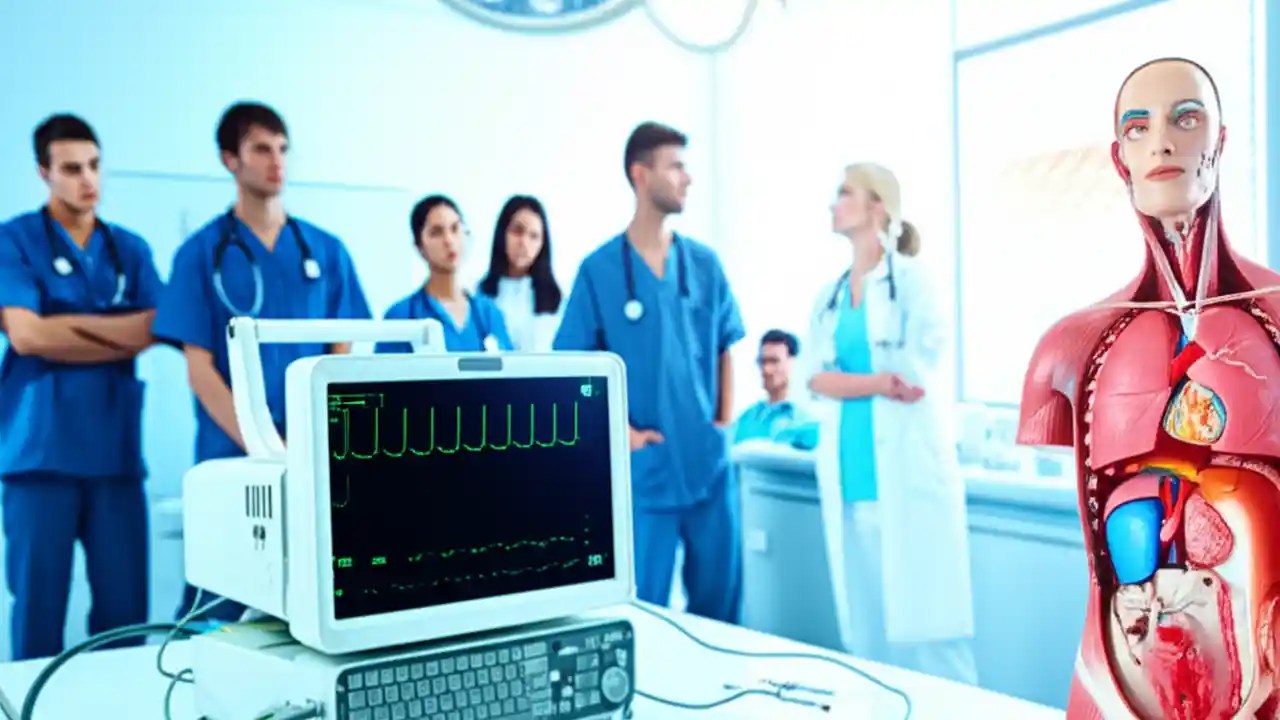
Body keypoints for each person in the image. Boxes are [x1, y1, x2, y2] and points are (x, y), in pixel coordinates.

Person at [1019, 58, 1280, 720]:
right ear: (1119, 159)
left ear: (1220, 140)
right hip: (1117, 679)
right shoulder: (1068, 347)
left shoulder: (1273, 315)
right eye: (1139, 129)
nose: (1162, 143)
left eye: (1185, 120)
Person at [153, 102, 371, 622]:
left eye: (282, 148)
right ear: (230, 159)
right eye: (260, 149)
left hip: (312, 453)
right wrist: (263, 443)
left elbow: (343, 351)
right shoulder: (201, 253)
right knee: (223, 598)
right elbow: (199, 367)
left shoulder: (326, 251)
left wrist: (314, 439)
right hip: (233, 455)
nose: (276, 161)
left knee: (307, 595)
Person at [554, 122, 745, 623]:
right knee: (645, 614)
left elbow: (727, 344)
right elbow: (573, 370)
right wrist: (622, 434)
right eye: (675, 166)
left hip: (708, 462)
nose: (687, 178)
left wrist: (723, 422)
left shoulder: (704, 263)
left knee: (721, 608)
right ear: (641, 174)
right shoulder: (599, 271)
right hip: (649, 472)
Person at [805, 162, 977, 684]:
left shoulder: (913, 281)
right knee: (867, 641)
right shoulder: (831, 295)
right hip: (851, 482)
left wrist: (868, 380)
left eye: (845, 193)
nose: (833, 204)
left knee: (930, 639)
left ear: (876, 206)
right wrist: (879, 383)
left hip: (907, 481)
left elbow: (916, 376)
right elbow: (812, 378)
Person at [0, 114, 162, 659]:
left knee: (125, 619)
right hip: (39, 458)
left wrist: (62, 329)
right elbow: (24, 335)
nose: (87, 179)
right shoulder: (15, 240)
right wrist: (116, 333)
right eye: (71, 168)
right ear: (44, 172)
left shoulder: (129, 250)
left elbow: (153, 329)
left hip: (114, 460)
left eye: (93, 166)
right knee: (38, 615)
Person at [375, 195, 514, 354]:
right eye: (436, 232)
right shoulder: (401, 316)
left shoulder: (488, 313)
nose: (449, 240)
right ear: (419, 247)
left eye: (455, 229)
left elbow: (508, 374)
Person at [476, 195, 563, 352]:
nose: (524, 242)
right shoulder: (478, 294)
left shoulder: (558, 299)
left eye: (534, 236)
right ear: (502, 233)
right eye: (517, 231)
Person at [731, 329, 818, 449]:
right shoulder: (746, 417)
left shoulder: (810, 420)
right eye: (763, 362)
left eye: (774, 361)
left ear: (793, 362)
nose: (766, 370)